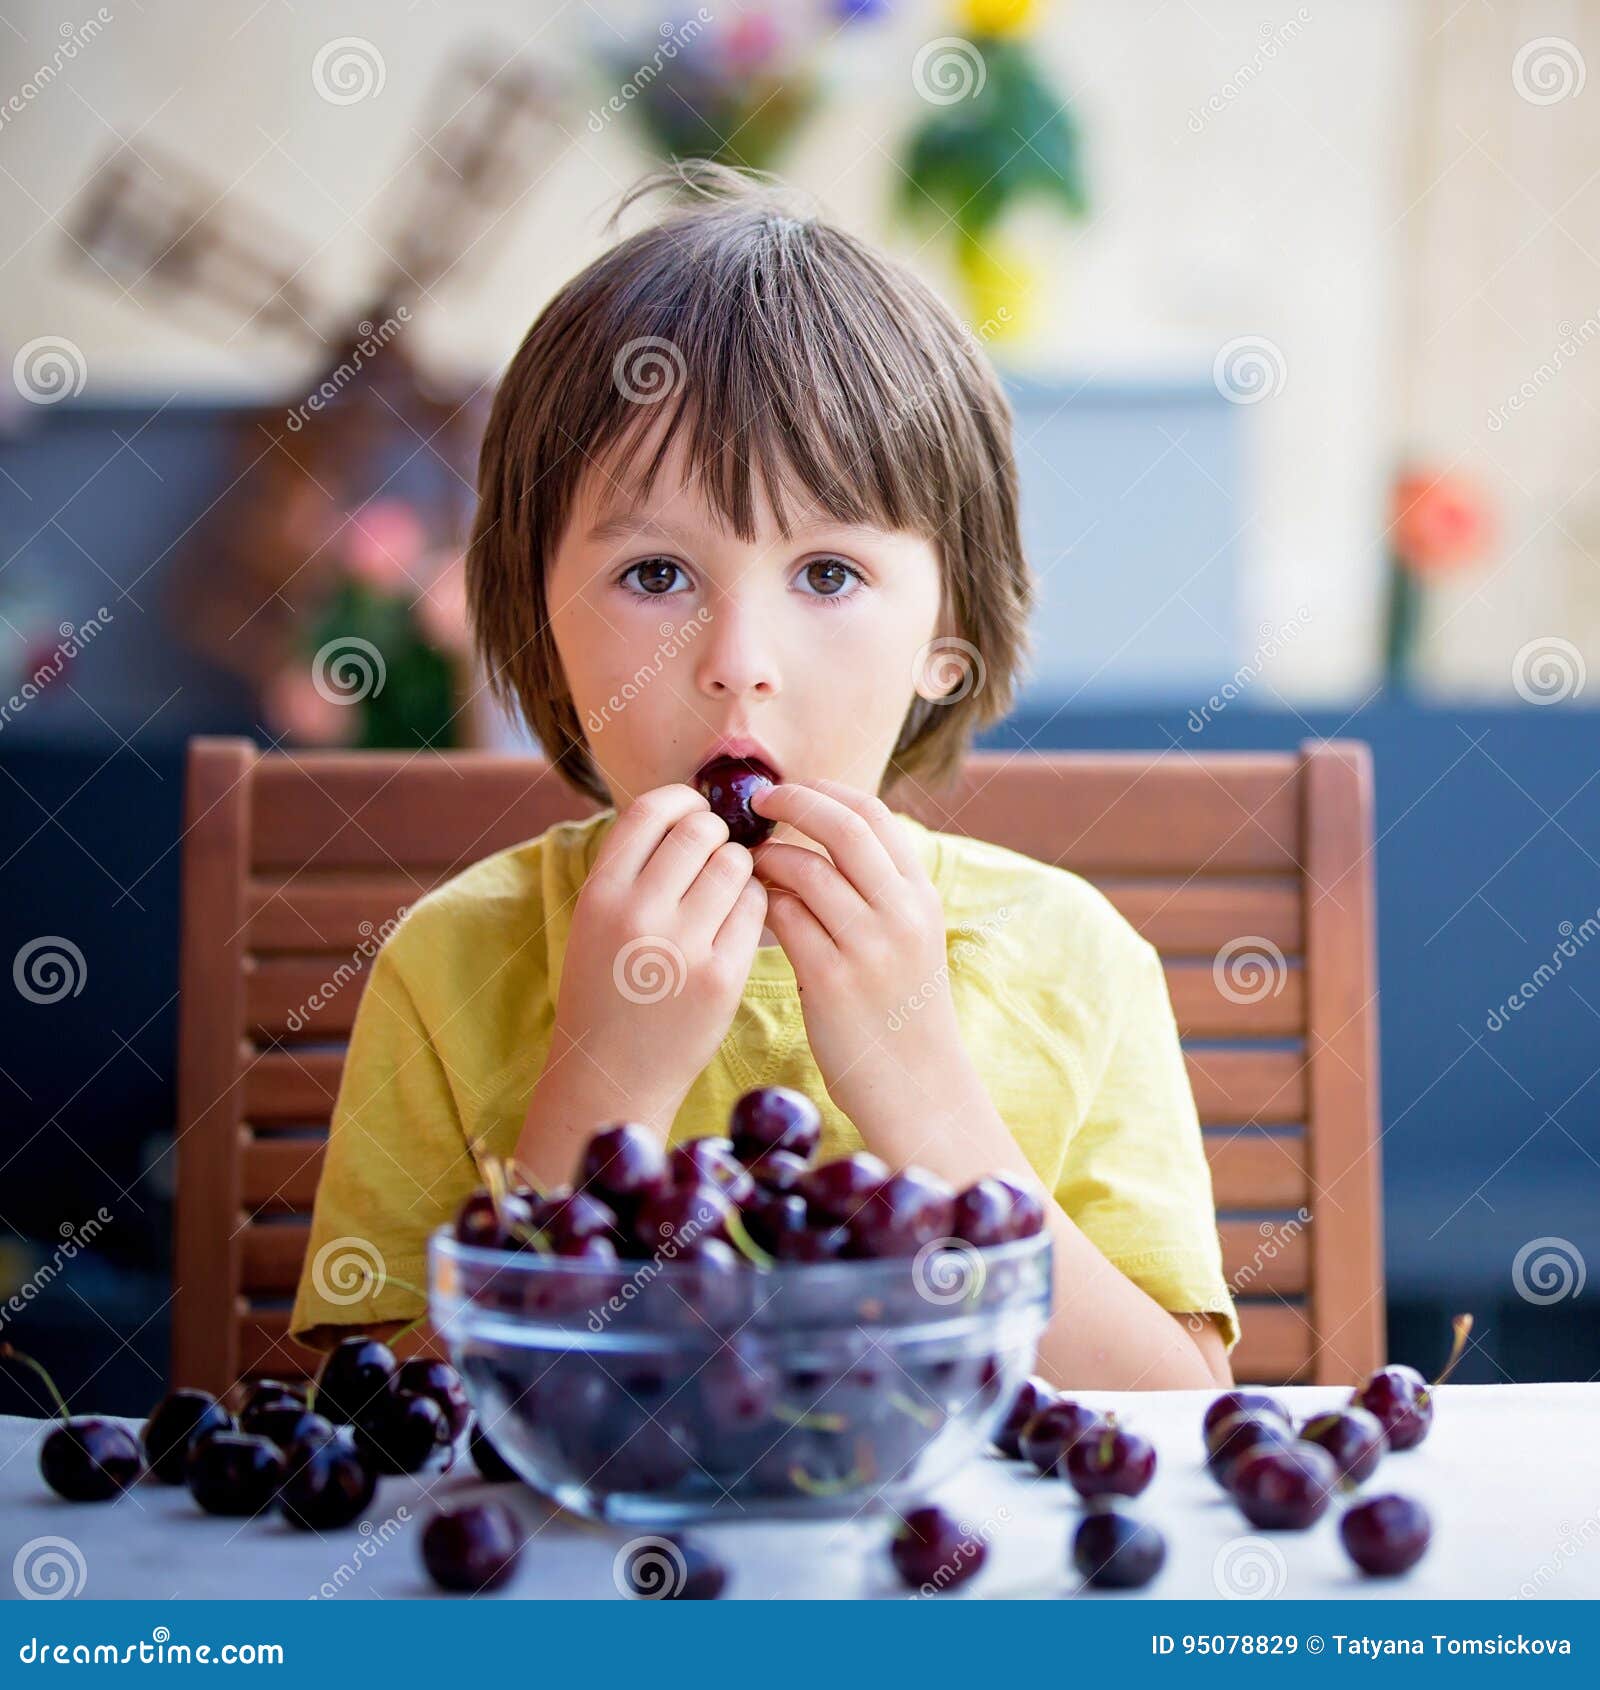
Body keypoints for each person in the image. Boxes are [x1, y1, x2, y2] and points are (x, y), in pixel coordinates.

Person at [289, 161, 1237, 1389]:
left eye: (829, 575)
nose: (737, 666)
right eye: (655, 576)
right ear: (537, 619)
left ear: (945, 642)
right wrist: (603, 1091)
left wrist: (926, 1100)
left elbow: (1172, 1414)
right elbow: (388, 1440)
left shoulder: (1073, 959)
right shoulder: (448, 964)